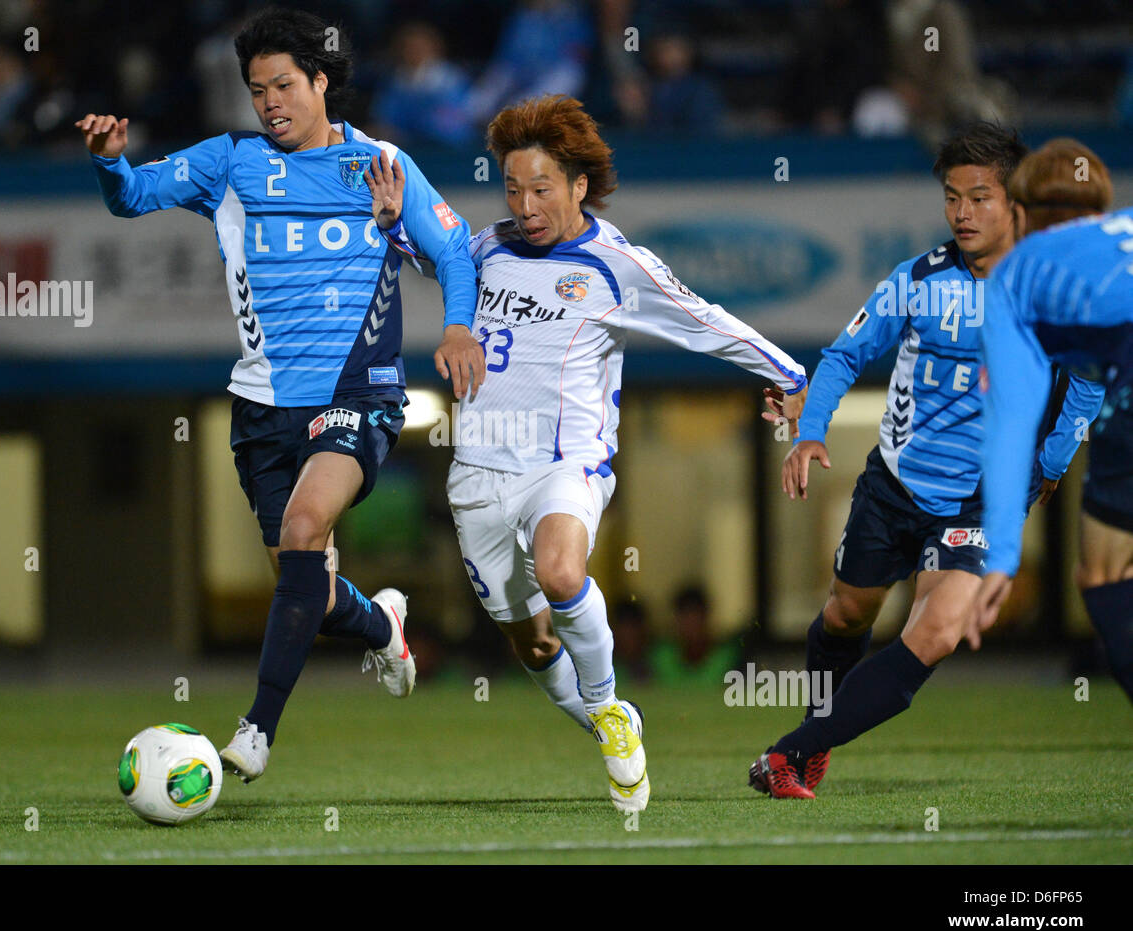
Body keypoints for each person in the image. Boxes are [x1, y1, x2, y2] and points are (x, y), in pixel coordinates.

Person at [77, 7, 484, 785]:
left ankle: (256, 730)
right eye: (257, 89)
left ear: (321, 82)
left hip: (356, 392)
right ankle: (382, 625)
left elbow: (454, 249)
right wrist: (110, 162)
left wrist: (458, 328)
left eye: (285, 85)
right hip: (262, 408)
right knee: (310, 586)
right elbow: (131, 197)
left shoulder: (381, 163)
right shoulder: (229, 162)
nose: (270, 102)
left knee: (305, 528)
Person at [372, 95, 808, 811]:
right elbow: (435, 263)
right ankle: (616, 725)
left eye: (542, 187)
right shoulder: (485, 248)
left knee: (561, 566)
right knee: (535, 648)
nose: (526, 203)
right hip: (479, 473)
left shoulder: (616, 266)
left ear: (579, 184)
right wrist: (394, 230)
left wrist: (788, 375)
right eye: (513, 187)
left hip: (564, 463)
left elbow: (704, 319)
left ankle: (606, 704)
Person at [748, 122, 1105, 799]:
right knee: (848, 616)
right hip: (895, 485)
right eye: (952, 198)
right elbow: (846, 353)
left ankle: (789, 753)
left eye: (980, 198)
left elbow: (1088, 380)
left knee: (937, 632)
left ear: (1017, 205)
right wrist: (812, 430)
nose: (963, 213)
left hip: (976, 499)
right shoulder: (917, 281)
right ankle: (814, 733)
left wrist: (1052, 462)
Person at [968, 139, 1129, 703]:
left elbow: (1012, 422)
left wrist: (1004, 553)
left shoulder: (1021, 273)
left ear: (1022, 213)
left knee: (1106, 575)